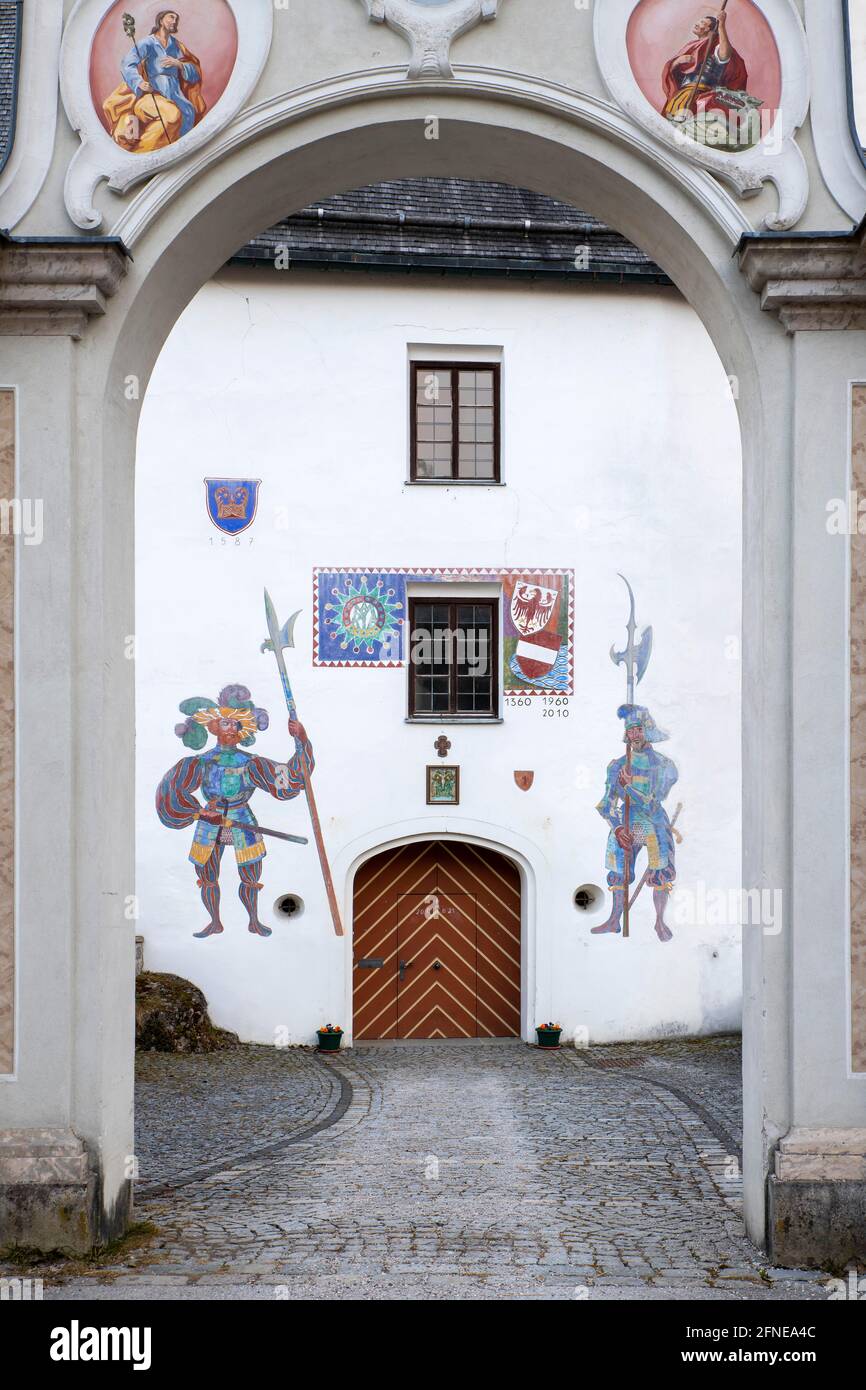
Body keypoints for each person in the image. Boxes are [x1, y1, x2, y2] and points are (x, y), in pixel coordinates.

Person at [156, 685, 312, 938]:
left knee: (250, 874)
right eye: (225, 723)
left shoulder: (251, 763)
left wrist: (302, 740)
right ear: (214, 727)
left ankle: (253, 921)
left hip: (241, 818)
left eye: (235, 724)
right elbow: (172, 789)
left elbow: (288, 779)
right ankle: (215, 922)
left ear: (242, 732)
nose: (230, 728)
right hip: (210, 821)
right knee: (207, 874)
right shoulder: (201, 762)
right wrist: (199, 812)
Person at [593, 704, 678, 943]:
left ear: (647, 731)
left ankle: (659, 921)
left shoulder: (664, 766)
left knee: (660, 867)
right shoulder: (617, 766)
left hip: (652, 820)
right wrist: (618, 828)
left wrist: (630, 786)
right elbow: (607, 803)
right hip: (627, 821)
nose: (634, 735)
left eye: (639, 729)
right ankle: (614, 920)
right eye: (630, 730)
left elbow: (654, 801)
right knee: (617, 866)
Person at [103, 10, 206, 153]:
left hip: (175, 94)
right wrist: (139, 82)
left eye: (176, 19)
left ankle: (175, 154)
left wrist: (179, 64)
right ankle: (142, 152)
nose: (174, 21)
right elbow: (128, 64)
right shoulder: (148, 43)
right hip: (152, 94)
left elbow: (195, 72)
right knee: (171, 115)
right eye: (171, 17)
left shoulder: (176, 46)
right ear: (161, 20)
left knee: (188, 112)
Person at [661, 8, 749, 122]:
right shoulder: (692, 45)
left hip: (701, 90)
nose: (697, 23)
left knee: (684, 108)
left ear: (710, 30)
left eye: (703, 23)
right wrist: (678, 61)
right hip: (684, 90)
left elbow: (725, 54)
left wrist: (721, 25)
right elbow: (673, 71)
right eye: (699, 21)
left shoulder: (715, 45)